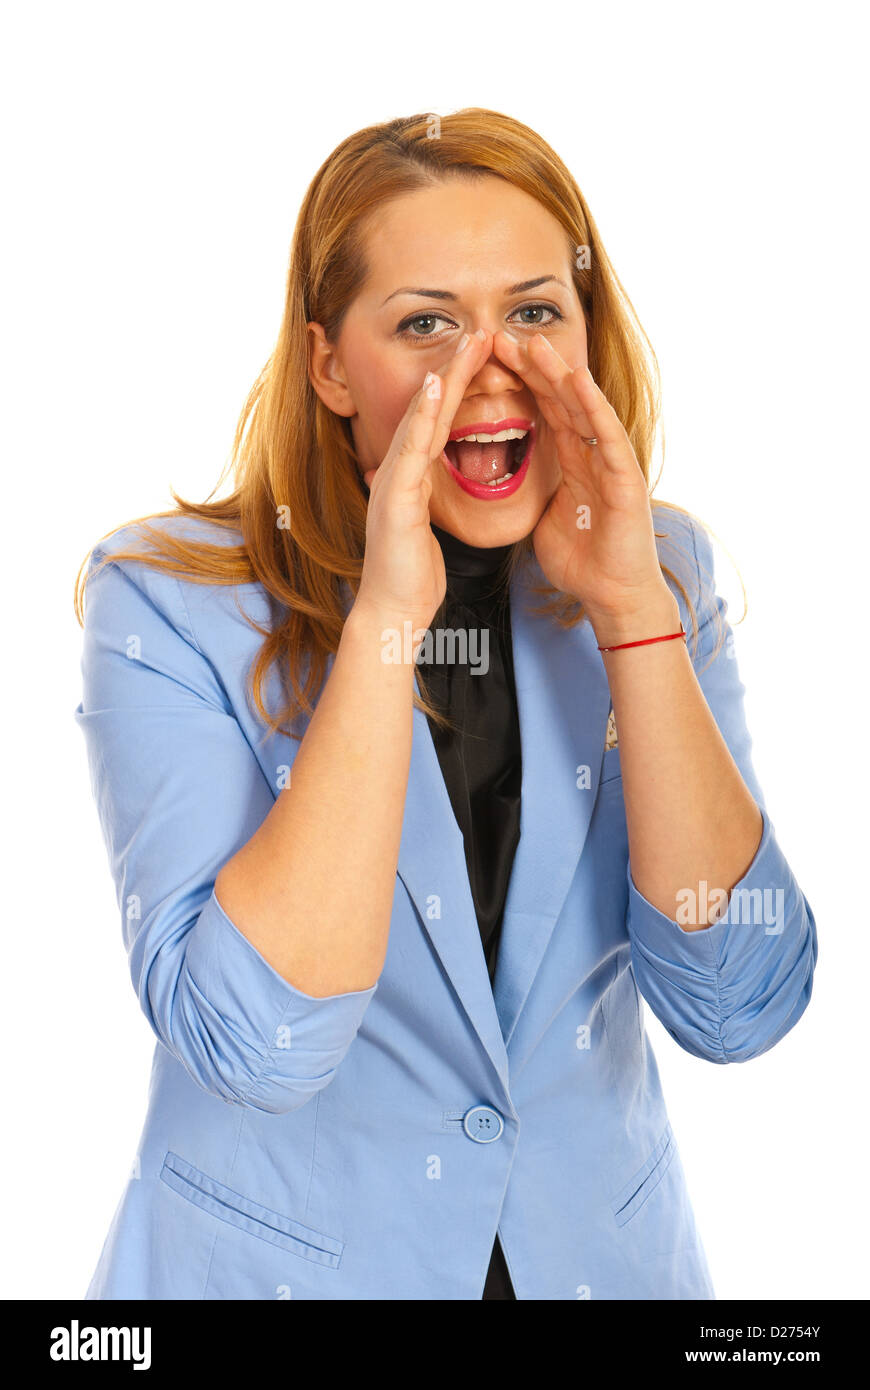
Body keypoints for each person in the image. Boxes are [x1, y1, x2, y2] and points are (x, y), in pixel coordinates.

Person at [73, 108, 817, 1300]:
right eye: (426, 323)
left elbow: (741, 1002)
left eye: (533, 311)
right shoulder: (164, 601)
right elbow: (253, 1044)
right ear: (327, 364)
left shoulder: (660, 573)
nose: (488, 367)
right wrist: (382, 625)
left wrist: (634, 613)